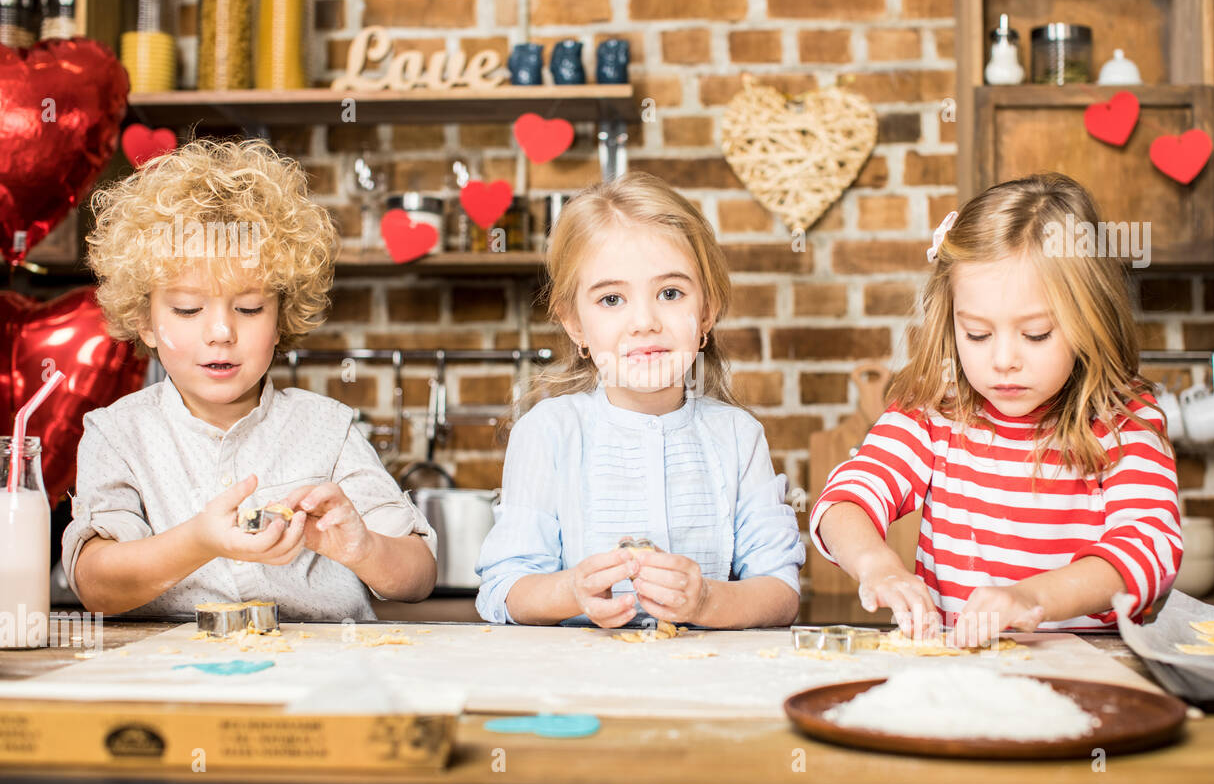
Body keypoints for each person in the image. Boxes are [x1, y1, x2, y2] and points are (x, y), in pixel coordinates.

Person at [62, 139, 437, 620]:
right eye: (188, 309)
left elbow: (419, 576)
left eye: (249, 308)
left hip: (319, 679)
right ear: (146, 321)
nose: (221, 332)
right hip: (170, 682)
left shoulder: (328, 428)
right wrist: (198, 540)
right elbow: (95, 586)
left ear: (281, 316)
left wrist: (364, 548)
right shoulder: (118, 434)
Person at [813, 173, 1181, 645]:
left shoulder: (1123, 421)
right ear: (951, 319)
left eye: (1036, 334)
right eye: (978, 334)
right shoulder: (933, 412)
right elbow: (844, 500)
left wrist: (1032, 597)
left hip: (1089, 670)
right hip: (961, 678)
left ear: (1089, 318)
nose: (1004, 359)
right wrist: (878, 566)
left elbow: (1149, 547)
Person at [475, 171, 804, 627]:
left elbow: (781, 592)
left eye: (670, 293)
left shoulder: (738, 436)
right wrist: (572, 591)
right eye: (612, 299)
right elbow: (504, 591)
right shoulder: (547, 432)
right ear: (574, 323)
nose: (644, 321)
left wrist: (708, 602)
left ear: (705, 312)